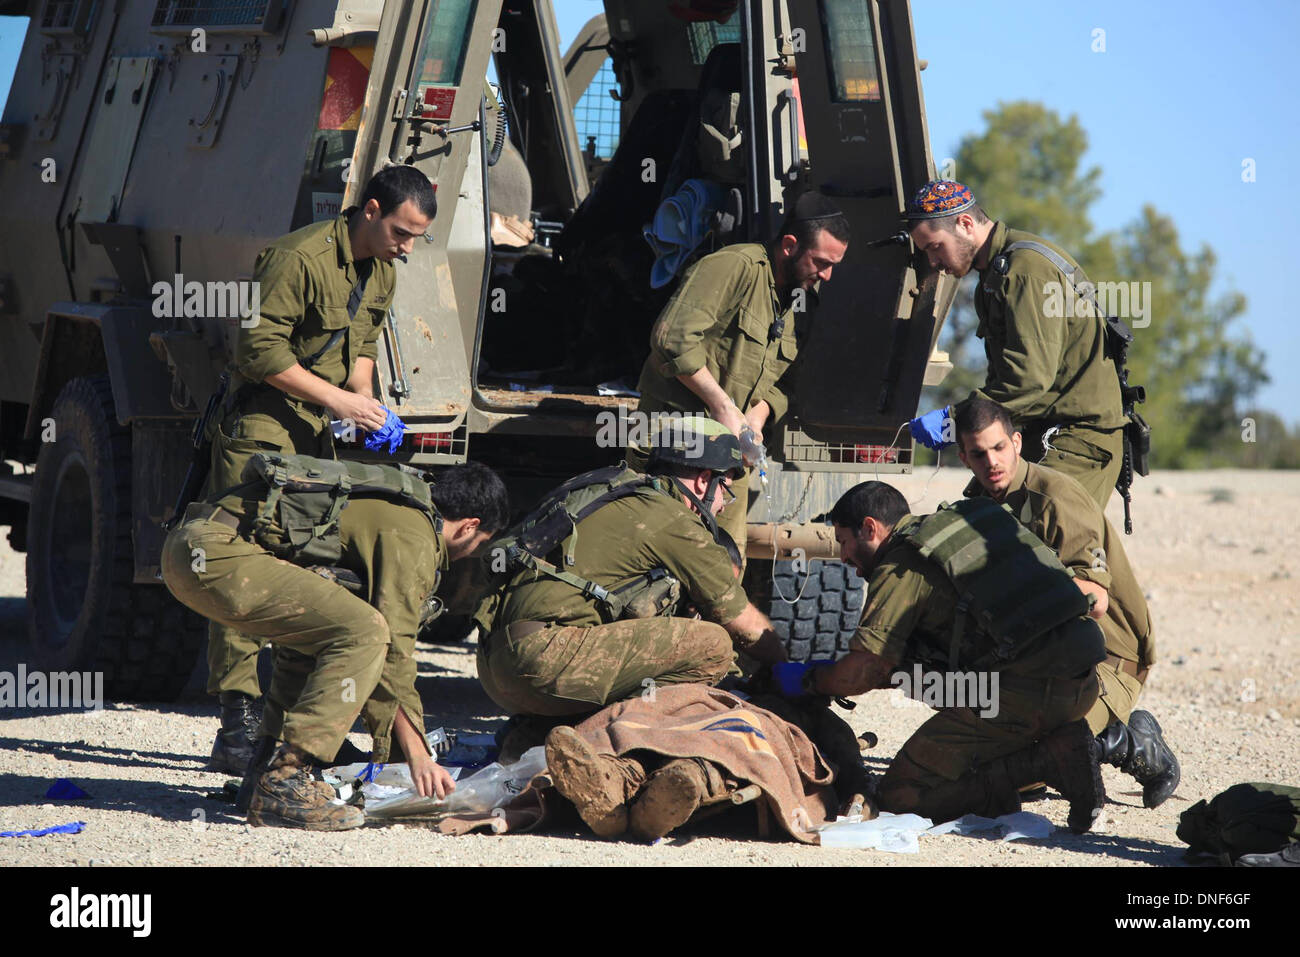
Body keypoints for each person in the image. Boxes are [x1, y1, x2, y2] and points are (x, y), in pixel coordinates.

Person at [203, 166, 438, 774]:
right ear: (371, 209)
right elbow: (256, 351)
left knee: (306, 569)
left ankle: (286, 721)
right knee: (244, 560)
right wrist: (337, 401)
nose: (407, 247)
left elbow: (361, 348)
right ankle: (240, 719)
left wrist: (367, 404)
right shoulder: (296, 257)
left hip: (314, 439)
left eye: (416, 238)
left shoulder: (381, 269)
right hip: (263, 429)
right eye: (402, 232)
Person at [473, 417, 788, 837]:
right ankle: (606, 751)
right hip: (546, 659)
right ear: (700, 480)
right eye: (726, 485)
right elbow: (740, 622)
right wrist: (788, 669)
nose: (726, 501)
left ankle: (536, 739)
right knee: (712, 644)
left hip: (498, 666)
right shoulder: (674, 518)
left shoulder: (605, 488)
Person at [161, 456, 509, 830]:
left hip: (192, 547)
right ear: (470, 525)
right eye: (481, 543)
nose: (471, 554)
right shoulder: (416, 535)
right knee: (365, 632)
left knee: (325, 632)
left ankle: (263, 775)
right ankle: (287, 781)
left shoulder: (402, 506)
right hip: (216, 556)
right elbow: (394, 651)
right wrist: (418, 755)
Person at [777, 481, 1110, 832]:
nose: (844, 558)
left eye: (844, 541)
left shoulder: (902, 564)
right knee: (926, 685)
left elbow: (867, 668)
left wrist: (810, 681)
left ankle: (1046, 760)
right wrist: (859, 673)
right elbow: (901, 666)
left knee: (900, 794)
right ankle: (1028, 762)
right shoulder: (952, 531)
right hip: (1081, 680)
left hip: (1024, 693)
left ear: (870, 528)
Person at [953, 396, 1179, 807]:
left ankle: (1131, 741)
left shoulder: (1054, 497)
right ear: (964, 456)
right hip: (1044, 657)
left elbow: (1094, 600)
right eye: (978, 453)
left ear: (1017, 442)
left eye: (999, 448)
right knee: (990, 765)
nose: (991, 462)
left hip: (1108, 658)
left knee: (1049, 754)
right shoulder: (978, 504)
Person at [632, 190, 850, 553]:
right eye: (821, 262)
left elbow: (788, 381)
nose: (827, 276)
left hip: (728, 458)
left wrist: (756, 416)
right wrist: (722, 407)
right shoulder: (735, 266)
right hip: (675, 446)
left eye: (833, 266)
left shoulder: (802, 302)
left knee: (724, 567)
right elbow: (672, 337)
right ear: (790, 245)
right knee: (657, 558)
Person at [906, 180, 1127, 509]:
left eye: (935, 247)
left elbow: (1028, 379)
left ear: (965, 224)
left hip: (1080, 441)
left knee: (1037, 543)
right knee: (972, 525)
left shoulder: (1024, 271)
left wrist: (956, 419)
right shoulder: (993, 275)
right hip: (1042, 432)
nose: (934, 262)